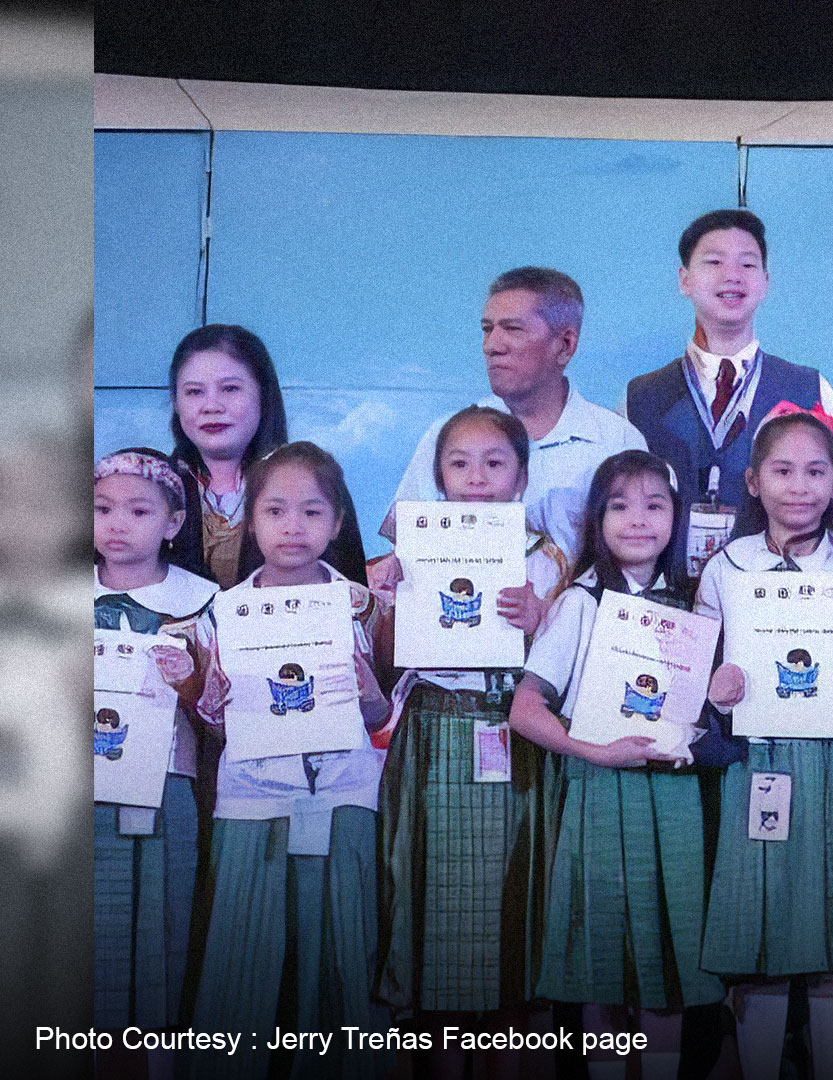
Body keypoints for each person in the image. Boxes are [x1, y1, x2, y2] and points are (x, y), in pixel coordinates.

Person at [697, 411, 833, 1080]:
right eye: (783, 471)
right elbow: (700, 674)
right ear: (754, 482)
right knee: (761, 937)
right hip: (761, 760)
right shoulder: (727, 566)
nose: (800, 486)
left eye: (816, 472)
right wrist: (716, 685)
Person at [508, 450, 721, 1080]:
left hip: (676, 800)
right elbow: (526, 709)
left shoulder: (693, 607)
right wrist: (594, 750)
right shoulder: (578, 602)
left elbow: (712, 709)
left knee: (667, 963)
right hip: (597, 792)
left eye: (656, 505)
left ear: (676, 518)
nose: (638, 520)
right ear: (597, 519)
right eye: (620, 506)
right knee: (598, 965)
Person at [186, 443, 394, 1080]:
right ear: (251, 520)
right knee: (242, 960)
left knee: (339, 955)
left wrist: (367, 694)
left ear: (336, 524)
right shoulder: (223, 611)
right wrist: (210, 700)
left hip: (344, 797)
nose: (293, 526)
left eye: (311, 512)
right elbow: (215, 723)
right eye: (275, 510)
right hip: (253, 798)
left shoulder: (365, 607)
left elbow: (381, 715)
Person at [374, 407, 571, 1078]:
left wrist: (540, 618)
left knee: (511, 905)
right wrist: (388, 604)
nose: (478, 477)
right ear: (439, 475)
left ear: (521, 475)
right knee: (428, 905)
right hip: (432, 732)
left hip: (510, 736)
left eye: (496, 463)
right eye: (460, 463)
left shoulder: (547, 554)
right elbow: (383, 659)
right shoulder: (411, 547)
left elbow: (569, 664)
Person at [625, 209, 833, 583]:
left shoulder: (807, 388)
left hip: (776, 609)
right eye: (714, 262)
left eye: (747, 264)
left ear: (766, 281)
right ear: (685, 280)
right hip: (666, 611)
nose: (732, 276)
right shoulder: (640, 397)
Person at [378, 267, 649, 564]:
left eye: (513, 329)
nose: (491, 346)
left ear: (565, 345)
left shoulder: (616, 442)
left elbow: (643, 561)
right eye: (487, 329)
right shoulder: (447, 434)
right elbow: (406, 555)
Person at [92, 449, 216, 1078]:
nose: (118, 523)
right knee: (94, 926)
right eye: (103, 508)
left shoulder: (203, 601)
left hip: (169, 782)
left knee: (165, 919)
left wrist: (192, 683)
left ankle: (161, 1060)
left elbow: (224, 711)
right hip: (82, 790)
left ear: (172, 522)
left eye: (139, 510)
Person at [168, 323, 367, 587]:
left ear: (263, 394)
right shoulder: (152, 485)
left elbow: (352, 597)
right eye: (194, 392)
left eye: (230, 389)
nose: (211, 406)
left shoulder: (312, 479)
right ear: (175, 402)